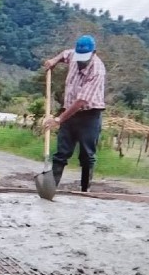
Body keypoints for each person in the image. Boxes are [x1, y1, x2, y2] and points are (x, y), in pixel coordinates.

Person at [42, 35, 106, 192]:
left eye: (85, 57)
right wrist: (53, 61)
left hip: (89, 115)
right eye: (79, 57)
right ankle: (49, 190)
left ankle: (85, 190)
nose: (81, 61)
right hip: (69, 112)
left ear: (94, 52)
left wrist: (58, 119)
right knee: (61, 152)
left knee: (87, 155)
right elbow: (65, 54)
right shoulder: (74, 55)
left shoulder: (97, 70)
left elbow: (81, 101)